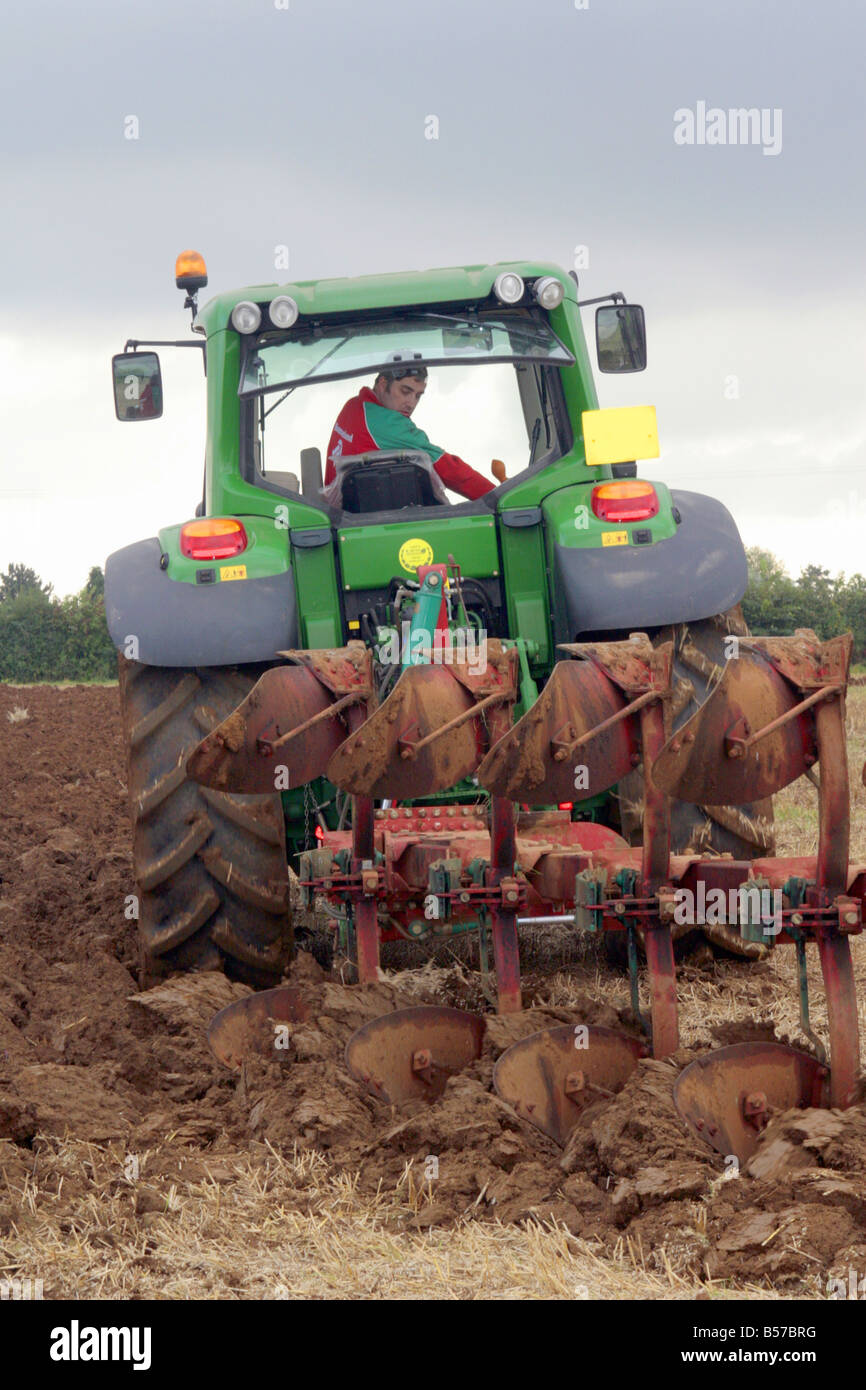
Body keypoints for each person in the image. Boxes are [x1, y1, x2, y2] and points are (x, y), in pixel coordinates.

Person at [325, 353, 506, 500]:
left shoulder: (353, 406)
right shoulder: (388, 423)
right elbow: (451, 470)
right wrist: (501, 497)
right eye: (405, 392)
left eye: (418, 396)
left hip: (343, 515)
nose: (411, 403)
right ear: (382, 384)